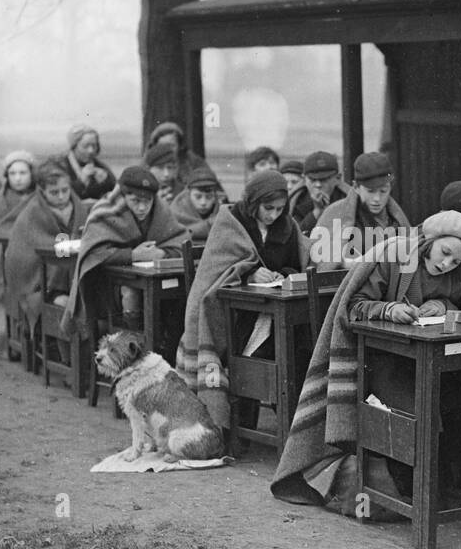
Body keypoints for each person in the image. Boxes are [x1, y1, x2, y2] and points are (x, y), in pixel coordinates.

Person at [272, 211, 461, 516]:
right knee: (415, 408)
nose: (446, 264)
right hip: (379, 361)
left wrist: (443, 304)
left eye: (456, 261)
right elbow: (353, 306)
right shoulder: (395, 254)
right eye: (445, 253)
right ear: (429, 241)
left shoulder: (456, 273)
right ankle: (409, 493)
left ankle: (444, 491)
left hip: (422, 359)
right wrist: (388, 309)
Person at [177, 170, 310, 434]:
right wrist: (248, 273)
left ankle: (298, 425)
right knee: (267, 350)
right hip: (233, 315)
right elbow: (213, 276)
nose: (273, 215)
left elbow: (298, 264)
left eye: (280, 209)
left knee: (302, 343)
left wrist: (282, 274)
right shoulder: (230, 223)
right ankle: (245, 421)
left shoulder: (287, 226)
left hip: (271, 313)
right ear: (252, 203)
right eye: (268, 208)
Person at [60, 166, 191, 348]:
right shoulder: (104, 212)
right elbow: (92, 253)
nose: (142, 207)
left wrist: (162, 253)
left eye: (148, 201)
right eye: (135, 201)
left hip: (150, 282)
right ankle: (135, 346)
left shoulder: (160, 210)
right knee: (131, 294)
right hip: (107, 289)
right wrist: (133, 255)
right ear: (123, 195)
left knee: (179, 295)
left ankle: (166, 350)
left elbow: (181, 240)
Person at [4, 162, 91, 343]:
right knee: (68, 303)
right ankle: (69, 355)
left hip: (73, 277)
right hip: (42, 284)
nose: (61, 196)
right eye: (54, 192)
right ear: (42, 191)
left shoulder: (79, 207)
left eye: (65, 190)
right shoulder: (32, 212)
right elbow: (23, 253)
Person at [0, 150, 36, 358]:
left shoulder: (39, 197)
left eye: (23, 172)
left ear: (32, 174)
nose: (18, 178)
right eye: (13, 173)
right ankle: (9, 344)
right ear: (7, 177)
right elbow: (0, 233)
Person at [308, 151, 411, 267]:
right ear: (356, 187)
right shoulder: (333, 214)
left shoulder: (397, 219)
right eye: (370, 191)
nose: (377, 198)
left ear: (390, 187)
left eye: (383, 191)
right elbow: (318, 266)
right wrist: (343, 263)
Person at [288, 151, 346, 233]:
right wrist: (316, 212)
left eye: (324, 180)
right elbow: (296, 238)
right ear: (304, 180)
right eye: (313, 180)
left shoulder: (348, 200)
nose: (318, 185)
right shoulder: (295, 201)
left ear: (337, 178)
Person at [56, 124, 117, 202]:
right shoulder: (58, 166)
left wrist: (106, 181)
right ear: (74, 147)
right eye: (85, 146)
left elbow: (116, 193)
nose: (91, 150)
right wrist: (81, 182)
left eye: (94, 146)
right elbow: (57, 196)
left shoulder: (101, 167)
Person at [171, 166, 223, 243]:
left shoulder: (222, 212)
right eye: (198, 197)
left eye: (209, 197)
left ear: (216, 196)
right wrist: (209, 225)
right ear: (188, 194)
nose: (203, 202)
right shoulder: (175, 213)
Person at [144, 141, 181, 206]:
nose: (166, 174)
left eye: (170, 167)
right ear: (149, 169)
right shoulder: (137, 192)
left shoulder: (183, 193)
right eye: (160, 168)